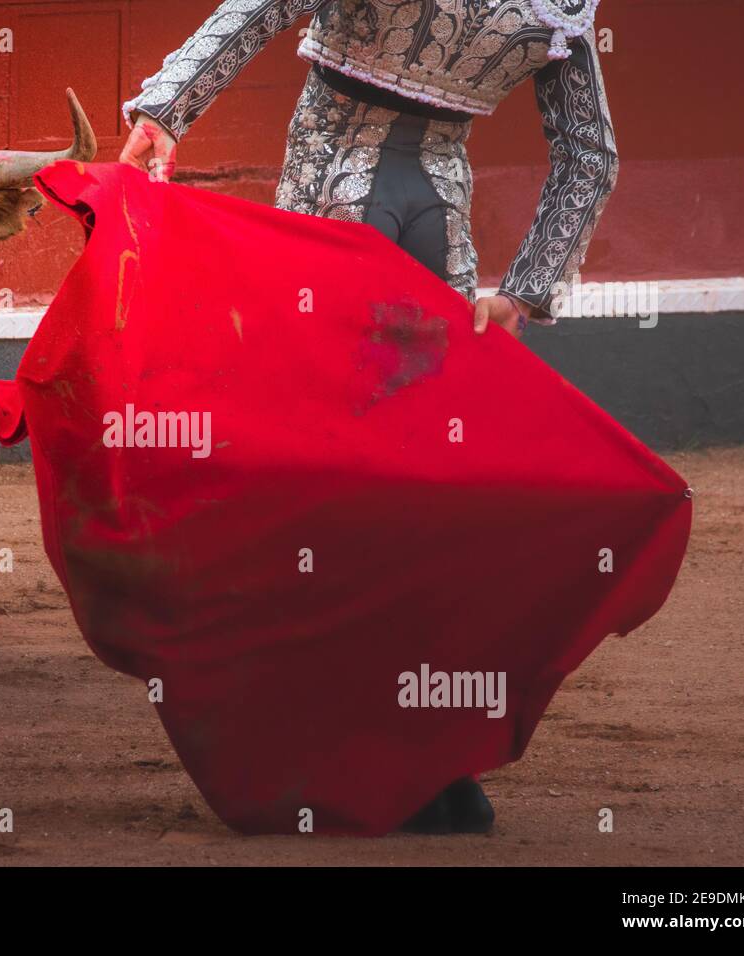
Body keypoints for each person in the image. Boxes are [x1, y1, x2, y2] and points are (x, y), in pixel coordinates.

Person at [118, 0, 618, 833]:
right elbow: (590, 157)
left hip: (332, 207)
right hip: (440, 230)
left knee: (315, 488)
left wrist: (166, 111)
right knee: (421, 495)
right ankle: (440, 770)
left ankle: (314, 756)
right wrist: (528, 288)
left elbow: (256, 8)